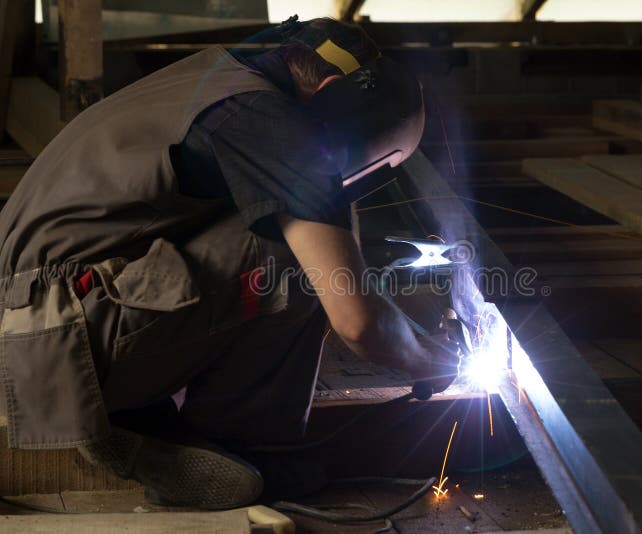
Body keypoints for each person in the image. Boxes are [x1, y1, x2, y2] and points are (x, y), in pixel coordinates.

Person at [0, 17, 459, 509]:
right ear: (330, 93)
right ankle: (245, 447)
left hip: (43, 323)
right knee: (299, 257)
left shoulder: (217, 81)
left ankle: (149, 424)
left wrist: (410, 331)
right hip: (56, 344)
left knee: (295, 244)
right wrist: (431, 360)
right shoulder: (272, 126)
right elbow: (357, 322)